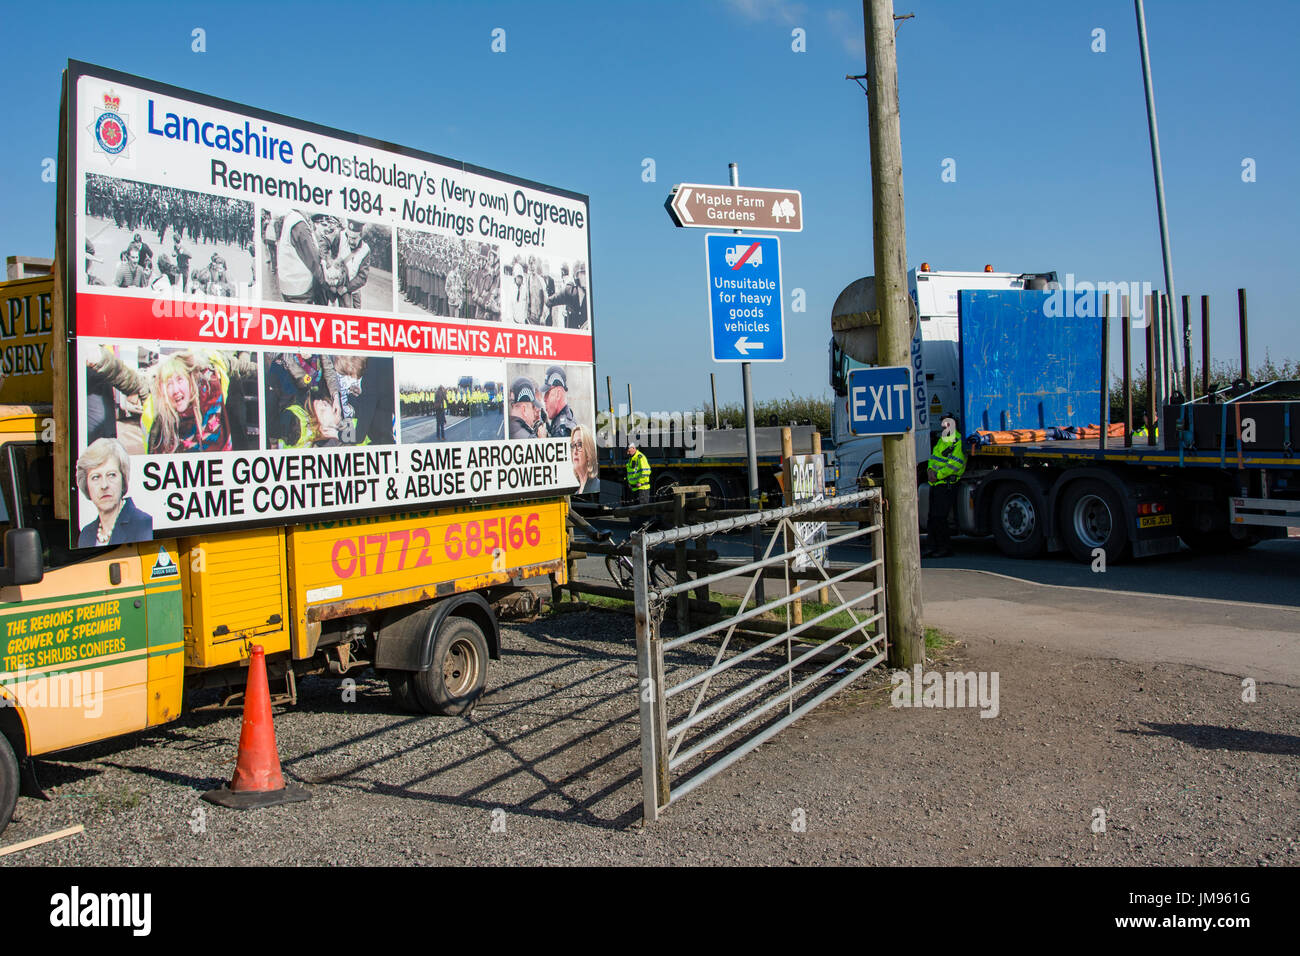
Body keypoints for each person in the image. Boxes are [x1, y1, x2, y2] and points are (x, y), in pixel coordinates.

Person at [75, 438, 153, 547]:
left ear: (123, 479)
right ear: (86, 485)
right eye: (96, 477)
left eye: (111, 475)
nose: (104, 485)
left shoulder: (143, 524)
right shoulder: (86, 534)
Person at [923, 413, 967, 558]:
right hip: (936, 484)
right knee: (932, 518)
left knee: (940, 517)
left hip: (947, 484)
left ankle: (944, 548)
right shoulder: (942, 440)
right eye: (944, 423)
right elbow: (933, 458)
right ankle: (931, 547)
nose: (945, 426)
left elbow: (955, 464)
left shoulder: (957, 441)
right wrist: (929, 470)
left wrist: (938, 475)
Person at [541, 365, 578, 437]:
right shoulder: (561, 418)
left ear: (558, 394)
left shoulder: (564, 428)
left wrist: (543, 439)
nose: (544, 399)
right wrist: (546, 422)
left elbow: (557, 447)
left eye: (547, 393)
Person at [571, 424, 598, 494]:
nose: (575, 451)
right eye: (573, 445)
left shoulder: (597, 487)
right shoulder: (576, 493)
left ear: (589, 453)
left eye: (579, 444)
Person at [626, 442, 651, 506]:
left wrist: (640, 482)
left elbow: (646, 471)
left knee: (642, 510)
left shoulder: (640, 457)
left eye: (628, 450)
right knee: (637, 510)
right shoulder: (631, 458)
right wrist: (629, 482)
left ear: (633, 448)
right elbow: (631, 473)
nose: (627, 452)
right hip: (634, 488)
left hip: (642, 488)